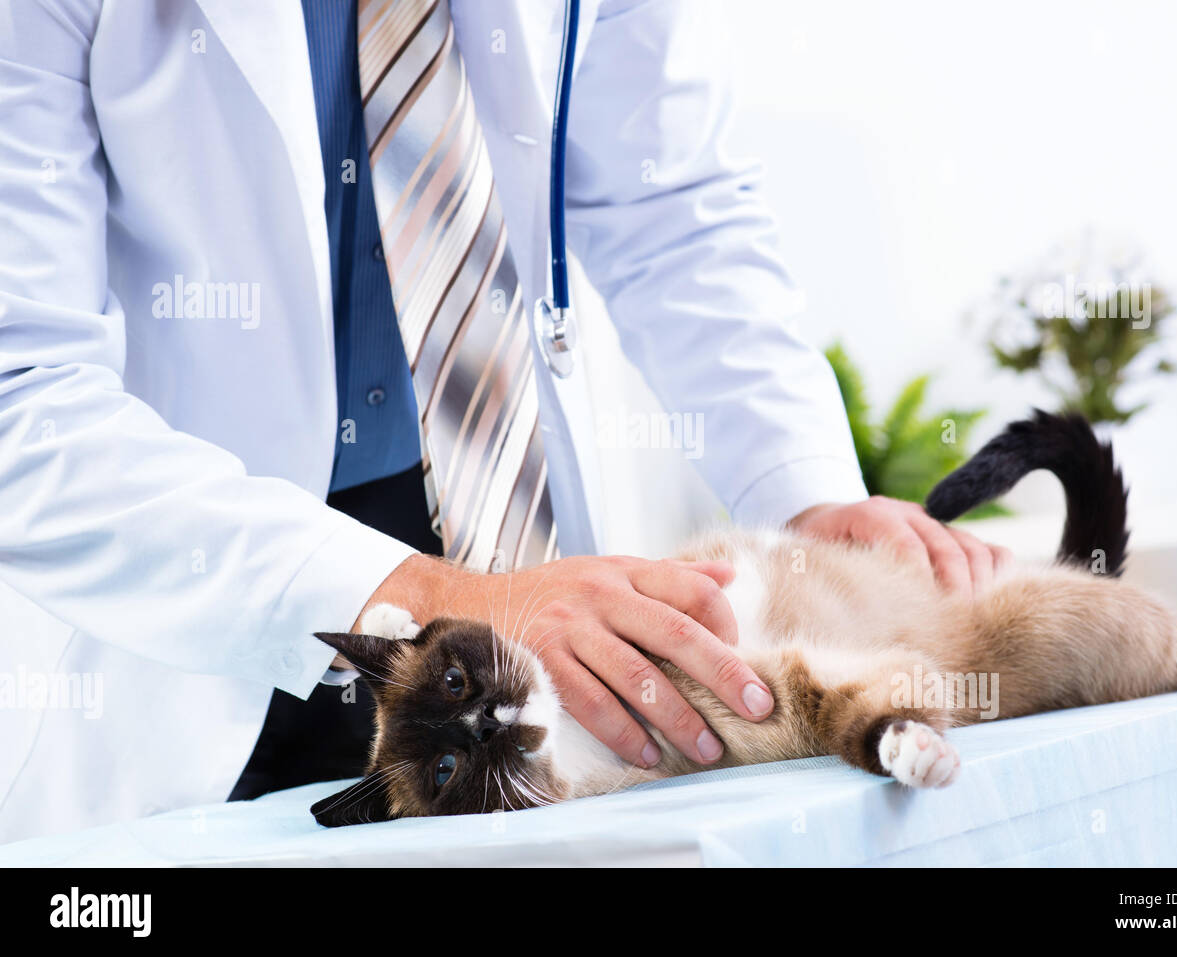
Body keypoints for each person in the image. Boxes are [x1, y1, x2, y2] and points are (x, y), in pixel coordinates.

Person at [0, 0, 1005, 839]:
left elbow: (671, 204)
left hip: (511, 547)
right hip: (182, 579)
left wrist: (806, 490)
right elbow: (20, 392)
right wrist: (428, 597)